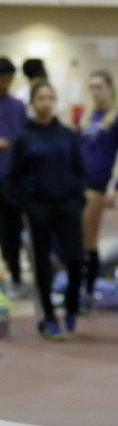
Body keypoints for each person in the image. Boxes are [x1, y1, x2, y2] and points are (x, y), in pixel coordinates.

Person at [3, 82, 85, 339]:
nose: (46, 102)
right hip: (37, 208)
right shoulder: (24, 137)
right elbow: (11, 178)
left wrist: (77, 200)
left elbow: (79, 169)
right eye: (40, 98)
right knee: (42, 266)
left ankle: (71, 306)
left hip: (67, 206)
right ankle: (48, 318)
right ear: (33, 103)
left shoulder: (65, 134)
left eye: (50, 97)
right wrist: (26, 205)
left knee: (75, 259)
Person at [77, 70, 118, 305]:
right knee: (76, 237)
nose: (95, 92)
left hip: (97, 184)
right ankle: (78, 285)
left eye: (99, 87)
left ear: (110, 88)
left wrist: (117, 185)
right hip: (76, 183)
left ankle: (88, 290)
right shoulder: (85, 116)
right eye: (91, 87)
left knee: (89, 239)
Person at [0, 57, 26, 295]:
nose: (5, 84)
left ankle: (16, 275)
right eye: (2, 79)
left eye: (9, 80)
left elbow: (23, 138)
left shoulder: (17, 106)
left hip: (12, 180)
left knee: (12, 231)